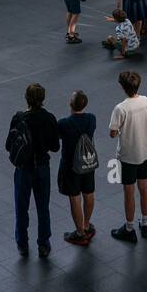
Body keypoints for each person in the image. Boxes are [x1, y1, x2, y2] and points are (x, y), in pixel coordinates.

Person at [8, 83, 60, 258]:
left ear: (26, 98)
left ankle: (22, 243)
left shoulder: (19, 117)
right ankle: (43, 243)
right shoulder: (49, 118)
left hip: (24, 168)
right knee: (43, 207)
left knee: (21, 206)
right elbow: (55, 147)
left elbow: (9, 145)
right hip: (42, 167)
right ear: (43, 99)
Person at [109, 70, 147, 243]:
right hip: (144, 152)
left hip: (127, 156)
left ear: (122, 87)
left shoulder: (121, 108)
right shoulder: (146, 101)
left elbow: (113, 133)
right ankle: (146, 223)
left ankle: (129, 228)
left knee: (129, 193)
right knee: (144, 188)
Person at [58, 90, 98, 246]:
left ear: (70, 104)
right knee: (89, 193)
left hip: (71, 167)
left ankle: (80, 233)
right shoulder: (91, 119)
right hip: (88, 163)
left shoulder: (63, 123)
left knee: (75, 197)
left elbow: (58, 139)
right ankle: (87, 225)